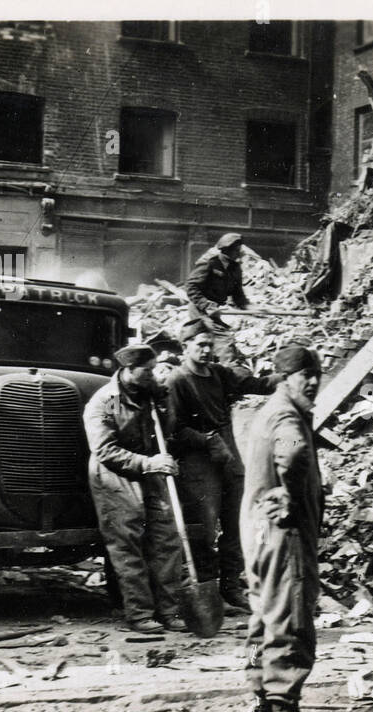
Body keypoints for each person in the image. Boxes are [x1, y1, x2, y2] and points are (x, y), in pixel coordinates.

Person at [241, 344, 334, 712]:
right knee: (290, 615)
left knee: (265, 612)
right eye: (303, 375)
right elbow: (293, 453)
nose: (312, 382)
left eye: (316, 375)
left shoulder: (269, 411)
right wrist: (294, 498)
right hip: (285, 533)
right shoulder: (285, 414)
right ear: (284, 378)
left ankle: (262, 700)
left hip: (261, 530)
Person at [168, 320, 282, 613]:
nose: (207, 350)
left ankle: (231, 586)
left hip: (228, 457)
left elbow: (253, 384)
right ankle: (205, 588)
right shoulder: (177, 381)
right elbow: (173, 431)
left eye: (210, 345)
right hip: (198, 462)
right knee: (204, 529)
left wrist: (283, 379)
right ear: (185, 347)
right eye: (200, 345)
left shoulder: (219, 374)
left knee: (237, 522)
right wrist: (205, 440)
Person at [83, 344, 190, 634]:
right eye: (147, 370)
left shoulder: (151, 395)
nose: (153, 375)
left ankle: (170, 611)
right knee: (128, 544)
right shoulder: (105, 401)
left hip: (150, 470)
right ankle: (141, 614)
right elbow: (105, 450)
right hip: (115, 476)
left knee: (166, 540)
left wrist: (164, 400)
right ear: (128, 370)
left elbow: (167, 431)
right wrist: (149, 463)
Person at [184, 233, 248, 329]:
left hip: (216, 310)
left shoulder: (235, 268)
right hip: (200, 309)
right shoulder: (209, 263)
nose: (239, 253)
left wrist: (246, 305)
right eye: (236, 250)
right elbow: (191, 286)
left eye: (239, 250)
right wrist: (206, 304)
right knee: (203, 338)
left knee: (223, 336)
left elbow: (237, 294)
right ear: (226, 250)